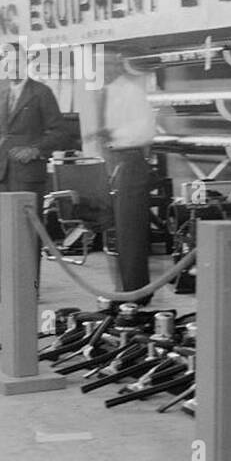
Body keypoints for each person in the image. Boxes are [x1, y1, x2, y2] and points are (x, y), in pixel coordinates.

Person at [0, 43, 71, 303]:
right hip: (4, 173)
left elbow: (60, 132)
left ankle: (29, 290)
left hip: (28, 174)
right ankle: (5, 288)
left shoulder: (41, 93)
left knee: (29, 234)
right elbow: (0, 136)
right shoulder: (3, 95)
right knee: (5, 232)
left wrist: (35, 150)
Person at [93, 47, 159, 301]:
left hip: (129, 162)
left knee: (131, 233)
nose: (103, 71)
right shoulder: (107, 92)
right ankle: (125, 289)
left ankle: (137, 293)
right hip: (113, 162)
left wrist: (112, 135)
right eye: (100, 67)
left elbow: (145, 132)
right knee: (118, 233)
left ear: (118, 66)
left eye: (108, 66)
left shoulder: (132, 92)